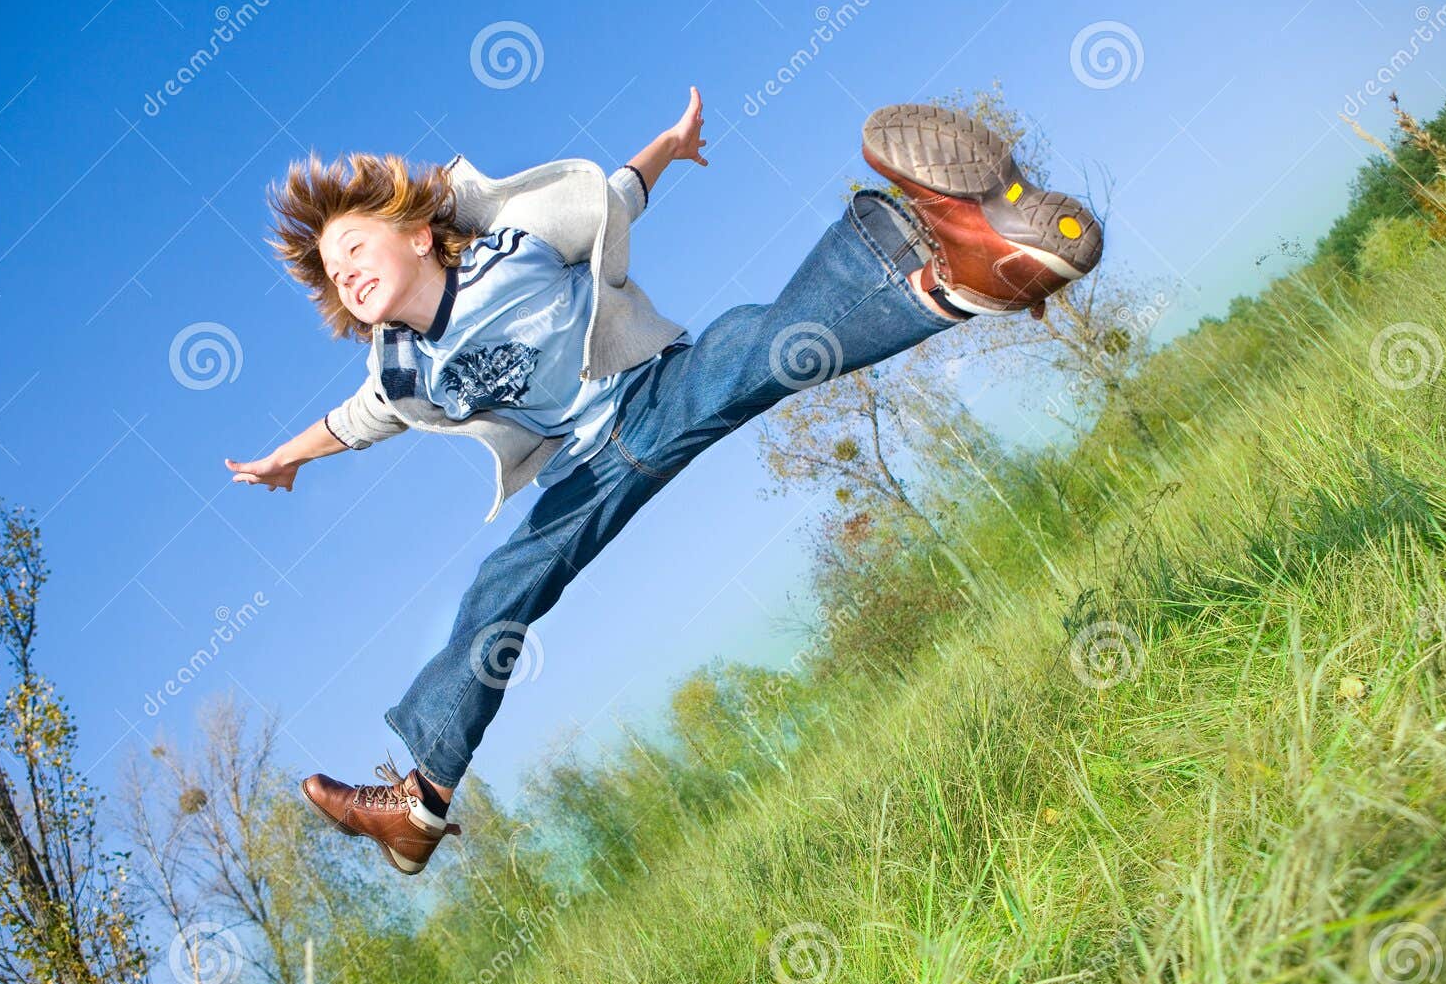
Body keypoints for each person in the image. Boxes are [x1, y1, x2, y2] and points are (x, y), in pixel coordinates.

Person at [226, 89, 1102, 874]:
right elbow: (354, 419)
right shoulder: (403, 369)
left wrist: (669, 147)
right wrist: (286, 457)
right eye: (334, 273)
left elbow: (610, 198)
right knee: (500, 585)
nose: (346, 271)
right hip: (588, 469)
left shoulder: (513, 247)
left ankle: (959, 269)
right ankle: (418, 805)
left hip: (655, 387)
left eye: (354, 246)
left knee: (762, 345)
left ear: (418, 233)